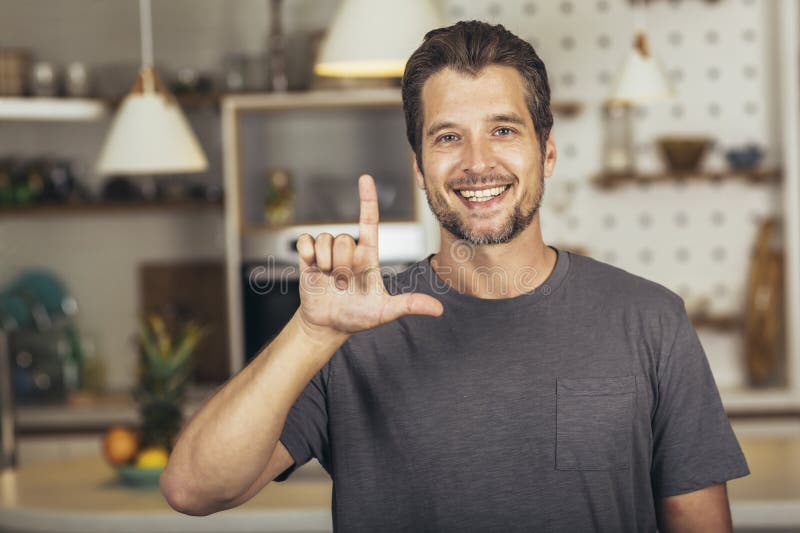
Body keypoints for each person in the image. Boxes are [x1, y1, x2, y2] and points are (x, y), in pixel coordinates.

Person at [161, 20, 749, 532]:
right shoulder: (349, 329)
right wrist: (311, 335)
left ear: (546, 152)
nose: (476, 162)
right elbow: (193, 489)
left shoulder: (650, 320)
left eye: (503, 129)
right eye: (448, 137)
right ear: (419, 166)